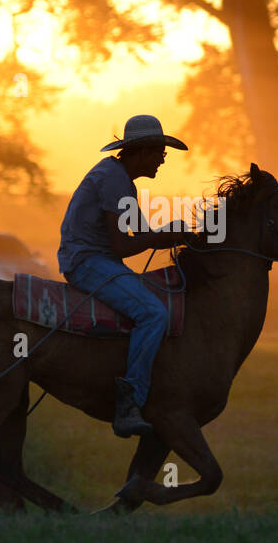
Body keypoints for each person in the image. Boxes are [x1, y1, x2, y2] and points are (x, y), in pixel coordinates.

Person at [58, 114, 193, 439]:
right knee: (152, 312)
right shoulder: (115, 181)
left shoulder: (119, 178)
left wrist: (177, 234)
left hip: (97, 260)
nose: (163, 159)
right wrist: (165, 236)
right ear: (143, 152)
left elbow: (143, 232)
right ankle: (129, 401)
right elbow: (123, 244)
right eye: (160, 152)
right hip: (88, 262)